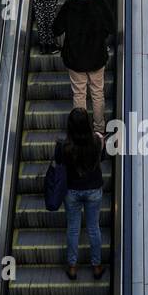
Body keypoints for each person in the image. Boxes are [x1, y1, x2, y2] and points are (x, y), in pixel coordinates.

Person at [53, 0, 113, 135]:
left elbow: (56, 29)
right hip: (96, 57)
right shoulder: (100, 3)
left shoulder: (69, 5)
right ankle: (99, 129)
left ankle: (81, 130)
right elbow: (111, 27)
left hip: (74, 58)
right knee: (97, 93)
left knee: (79, 94)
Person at [52, 107, 106, 280]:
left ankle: (73, 267)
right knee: (93, 228)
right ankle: (97, 266)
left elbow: (58, 165)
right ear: (88, 124)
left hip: (72, 191)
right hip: (93, 189)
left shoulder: (63, 146)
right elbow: (102, 158)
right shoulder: (97, 141)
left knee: (73, 229)